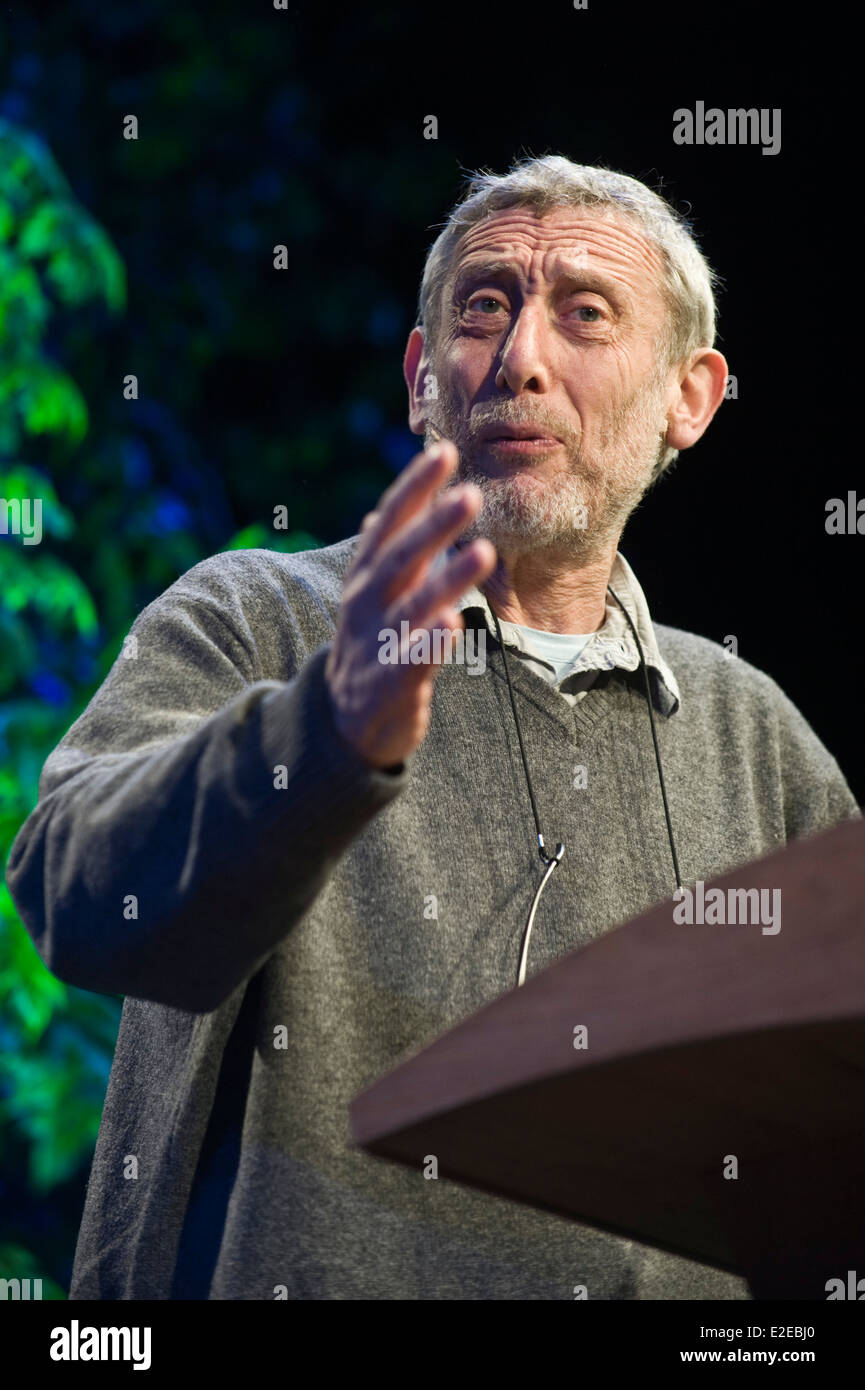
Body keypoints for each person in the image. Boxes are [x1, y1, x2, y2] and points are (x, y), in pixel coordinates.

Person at [6, 155, 858, 1301]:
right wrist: (328, 734)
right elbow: (71, 894)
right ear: (420, 380)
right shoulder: (255, 618)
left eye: (585, 314)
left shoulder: (753, 736)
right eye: (484, 308)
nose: (520, 360)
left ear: (688, 398)